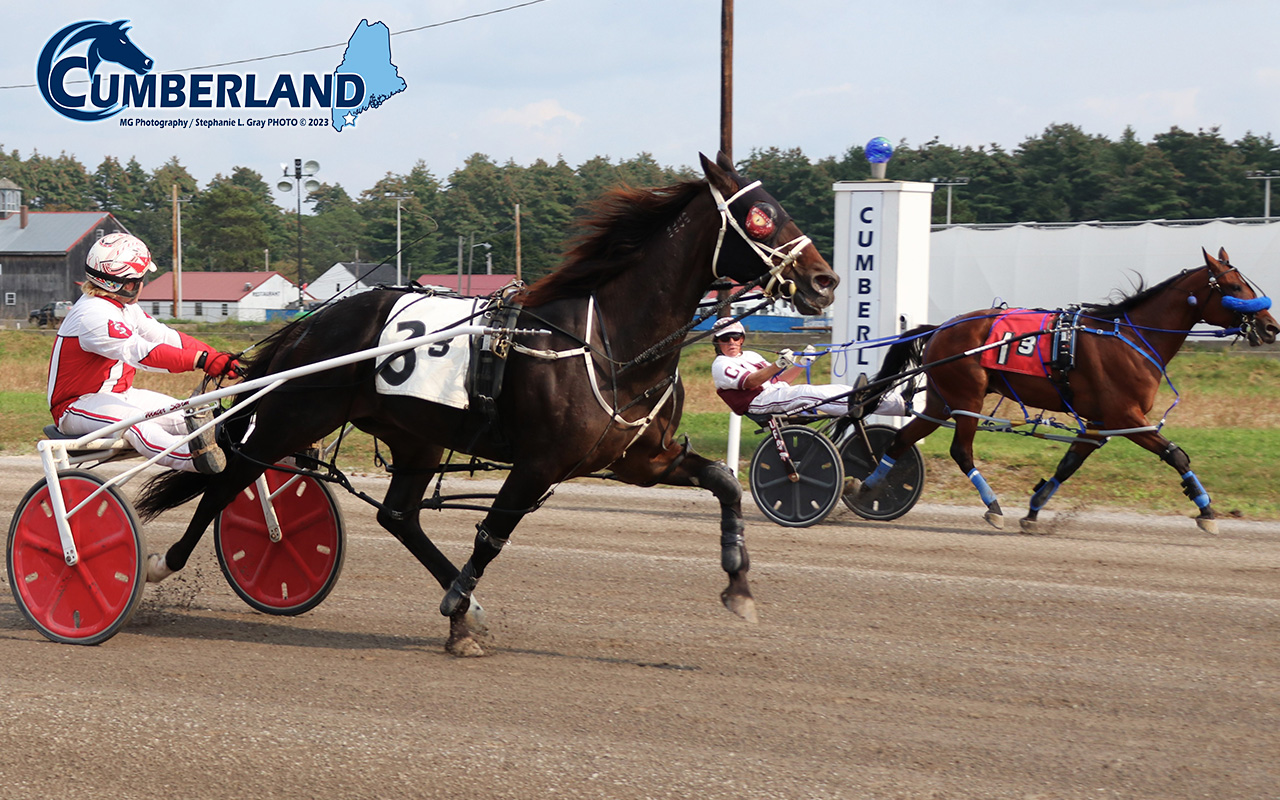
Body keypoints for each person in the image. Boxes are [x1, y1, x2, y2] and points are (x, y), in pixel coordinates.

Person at [47, 232, 243, 474]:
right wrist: (203, 361)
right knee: (136, 423)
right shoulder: (92, 314)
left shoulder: (126, 308)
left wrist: (218, 357)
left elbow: (166, 337)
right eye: (141, 279)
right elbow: (141, 353)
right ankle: (197, 459)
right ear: (128, 284)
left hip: (120, 395)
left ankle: (238, 448)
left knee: (191, 415)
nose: (143, 284)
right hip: (75, 406)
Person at [709, 317, 907, 419]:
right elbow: (751, 381)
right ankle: (855, 406)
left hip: (775, 393)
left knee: (833, 388)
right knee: (806, 393)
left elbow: (779, 381)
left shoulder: (751, 355)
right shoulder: (721, 365)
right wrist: (778, 364)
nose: (732, 341)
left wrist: (803, 362)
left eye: (736, 337)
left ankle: (899, 403)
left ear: (742, 338)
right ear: (717, 342)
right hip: (756, 403)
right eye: (725, 338)